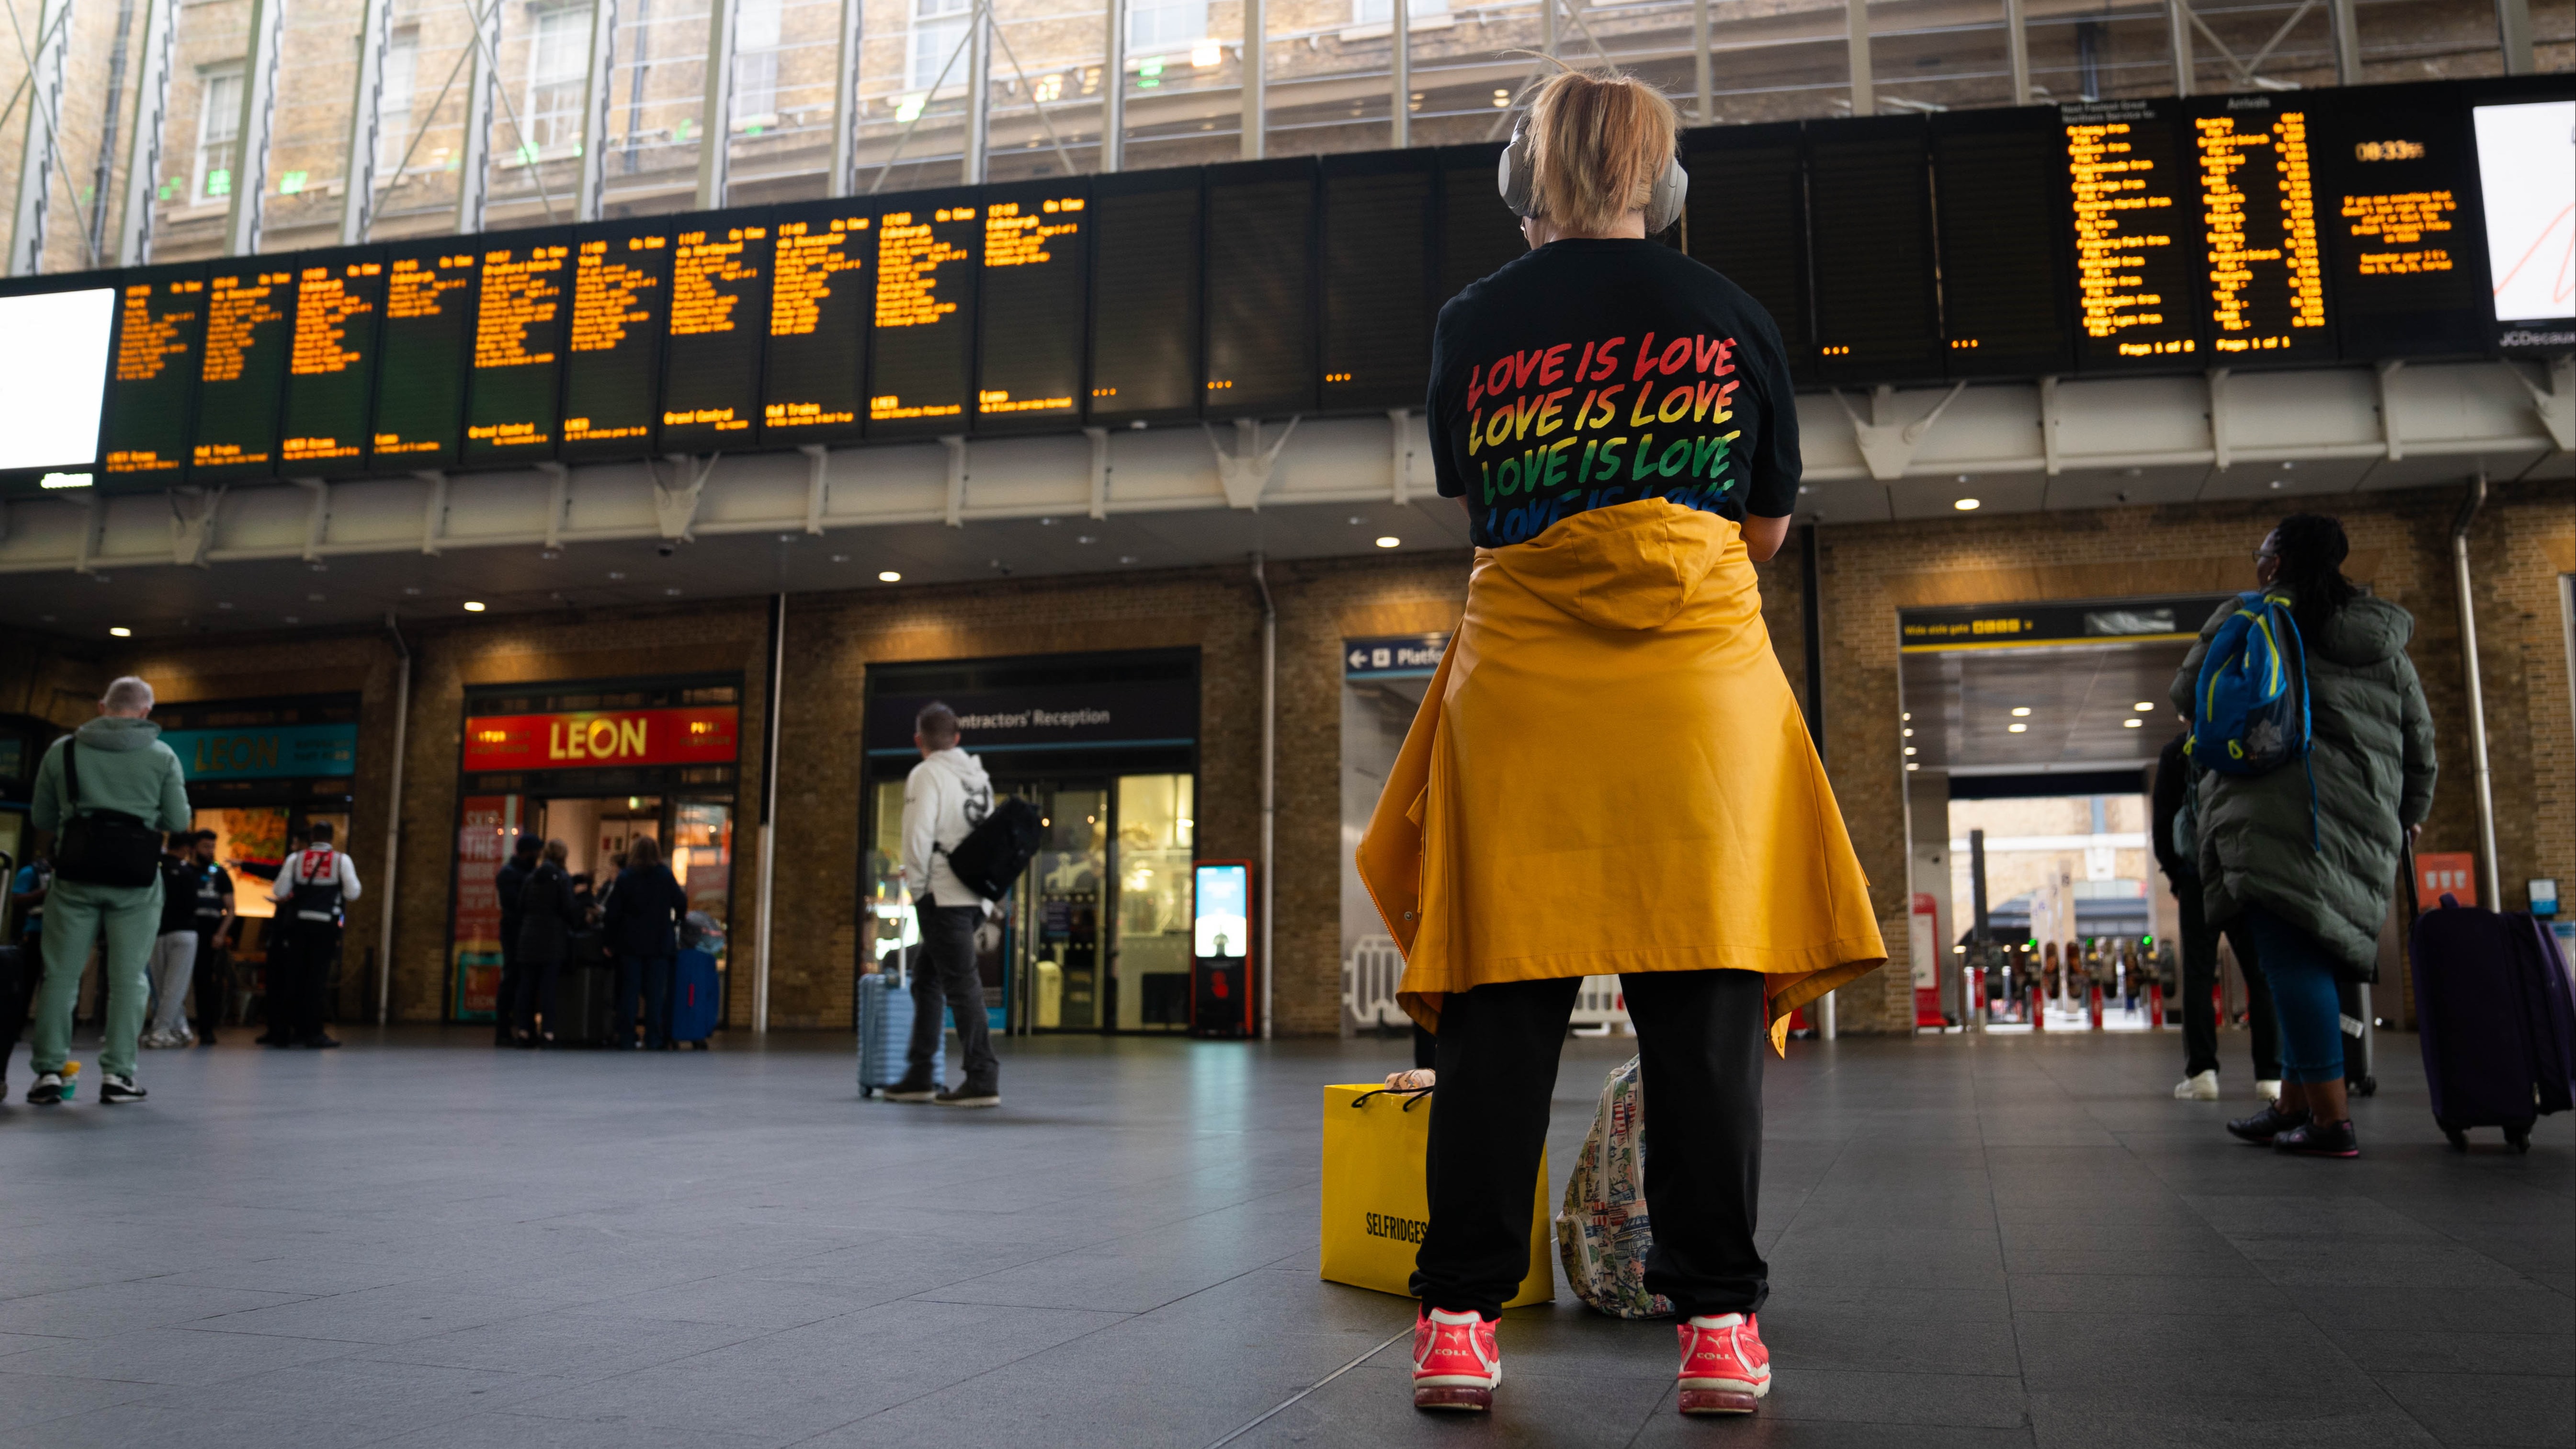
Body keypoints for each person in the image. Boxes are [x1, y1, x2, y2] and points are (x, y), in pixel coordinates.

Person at [1353, 68, 1884, 1419]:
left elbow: (1479, 502)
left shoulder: (1473, 321)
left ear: (1522, 182)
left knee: (1497, 1010)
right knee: (1700, 1015)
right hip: (1696, 693)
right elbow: (1764, 528)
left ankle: (1458, 1324)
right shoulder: (1730, 314)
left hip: (1525, 690)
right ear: (1667, 182)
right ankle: (1716, 1330)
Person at [2171, 514, 2435, 1158]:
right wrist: (2409, 810)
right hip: (2362, 819)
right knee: (2305, 954)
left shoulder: (2249, 615)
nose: (2257, 561)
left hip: (2271, 812)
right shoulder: (2380, 641)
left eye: (2261, 552)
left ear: (2277, 562)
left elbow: (2187, 694)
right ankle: (2291, 1104)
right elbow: (2418, 736)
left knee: (2289, 961)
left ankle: (2330, 1119)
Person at [23, 676, 194, 1106]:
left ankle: (48, 1072)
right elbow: (178, 820)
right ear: (146, 712)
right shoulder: (162, 755)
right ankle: (118, 1075)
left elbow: (42, 816)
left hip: (75, 873)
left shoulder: (62, 751)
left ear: (102, 706)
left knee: (61, 974)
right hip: (135, 879)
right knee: (129, 977)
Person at [2152, 729, 2280, 1100]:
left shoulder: (2178, 751)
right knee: (2260, 974)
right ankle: (2270, 1075)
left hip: (2198, 877)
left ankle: (2202, 1073)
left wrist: (2176, 876)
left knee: (2197, 974)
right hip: (2245, 874)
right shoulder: (2249, 740)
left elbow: (2163, 822)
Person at [887, 701, 1002, 1107]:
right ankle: (920, 1075)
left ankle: (983, 1078)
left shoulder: (926, 773)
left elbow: (917, 837)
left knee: (961, 985)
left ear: (918, 740)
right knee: (927, 979)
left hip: (943, 896)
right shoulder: (979, 779)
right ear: (957, 738)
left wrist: (919, 891)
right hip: (975, 895)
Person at [266, 822, 361, 1049]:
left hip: (298, 925)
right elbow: (353, 893)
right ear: (332, 838)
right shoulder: (341, 860)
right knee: (317, 979)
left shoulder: (296, 859)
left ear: (312, 837)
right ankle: (313, 1033)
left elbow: (279, 890)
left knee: (293, 977)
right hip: (325, 926)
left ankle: (284, 1032)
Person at [602, 836, 689, 1050]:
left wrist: (609, 941)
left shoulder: (626, 877)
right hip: (659, 943)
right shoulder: (665, 875)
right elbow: (681, 902)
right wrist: (675, 922)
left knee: (629, 993)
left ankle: (627, 1037)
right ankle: (654, 1038)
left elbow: (613, 912)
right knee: (655, 995)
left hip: (630, 943)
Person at [513, 840, 585, 1046]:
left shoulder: (531, 878)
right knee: (548, 988)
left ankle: (524, 1031)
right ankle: (548, 1033)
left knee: (526, 987)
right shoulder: (562, 879)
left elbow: (520, 907)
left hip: (528, 939)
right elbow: (569, 909)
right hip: (552, 940)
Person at [143, 833, 200, 1048]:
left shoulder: (155, 869)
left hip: (158, 932)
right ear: (186, 848)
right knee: (176, 986)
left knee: (160, 985)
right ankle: (162, 1030)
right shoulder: (187, 872)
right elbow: (192, 904)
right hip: (184, 932)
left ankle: (180, 1028)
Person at [186, 830, 236, 1045]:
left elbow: (231, 908)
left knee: (205, 981)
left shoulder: (220, 874)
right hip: (186, 928)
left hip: (210, 932)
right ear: (194, 848)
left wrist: (220, 934)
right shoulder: (186, 871)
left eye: (213, 847)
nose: (210, 851)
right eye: (206, 846)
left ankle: (206, 1029)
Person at [493, 834, 540, 1046]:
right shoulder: (511, 874)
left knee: (522, 981)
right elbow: (516, 903)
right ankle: (505, 1029)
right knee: (513, 979)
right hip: (514, 933)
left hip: (522, 932)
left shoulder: (521, 873)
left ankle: (523, 1029)